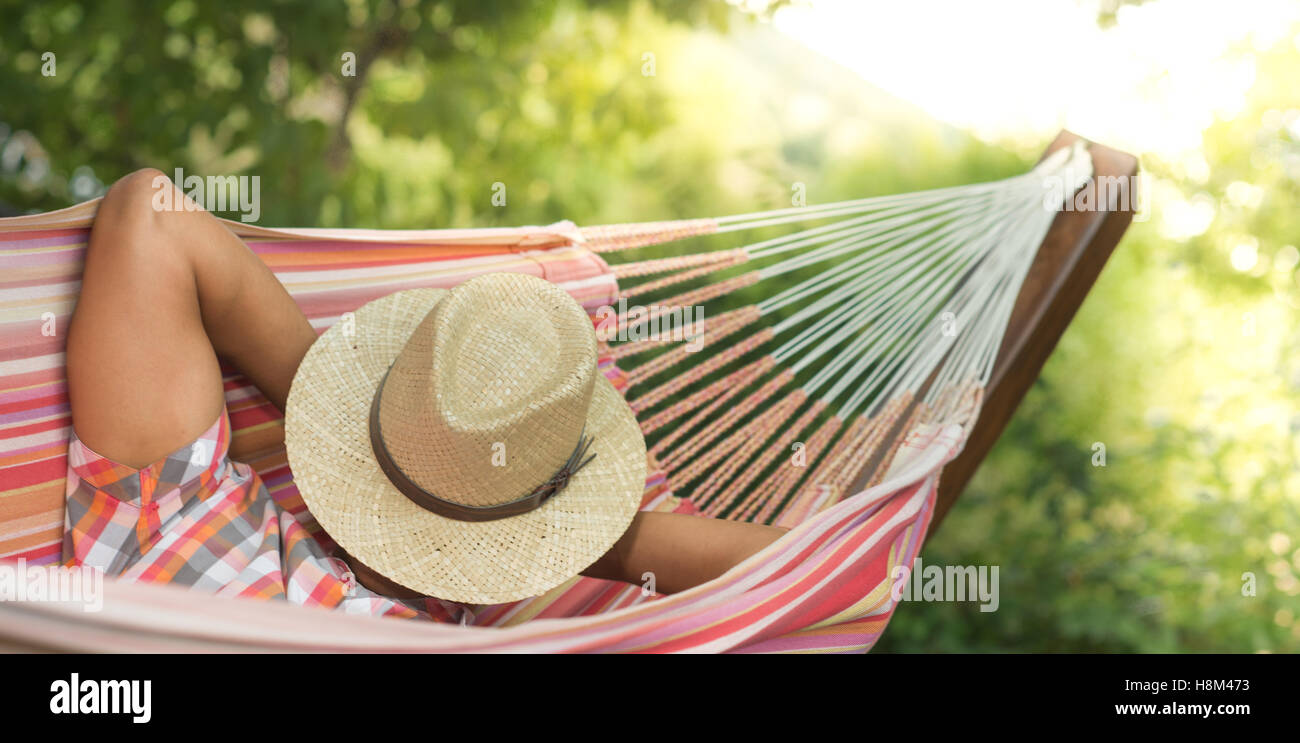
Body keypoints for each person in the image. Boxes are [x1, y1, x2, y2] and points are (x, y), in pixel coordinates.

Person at [63, 169, 788, 620]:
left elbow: (151, 213)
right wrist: (511, 511)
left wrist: (349, 422)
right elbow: (835, 567)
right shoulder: (174, 503)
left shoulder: (169, 508)